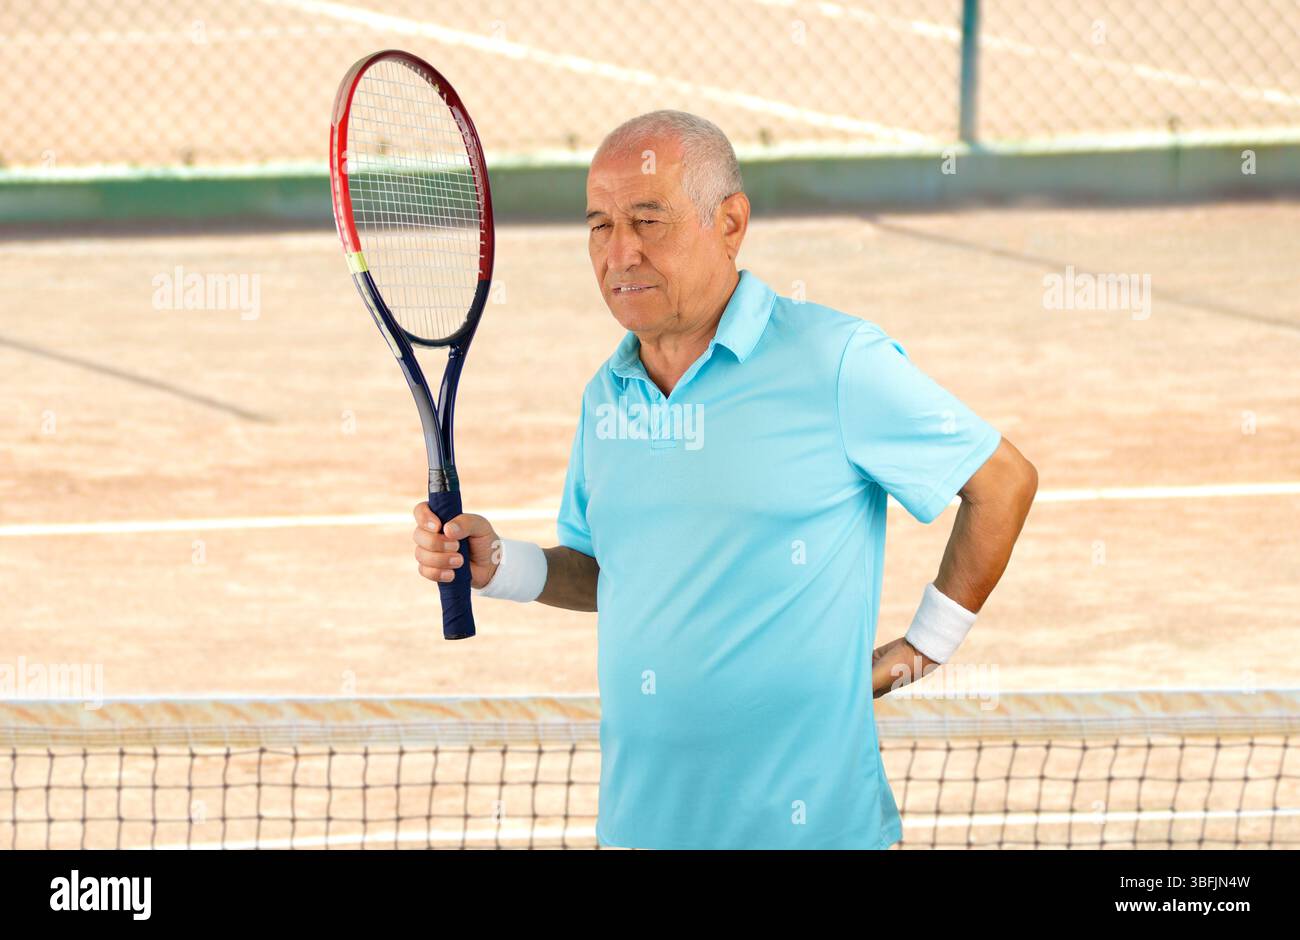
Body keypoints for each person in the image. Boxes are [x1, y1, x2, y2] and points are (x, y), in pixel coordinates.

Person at [412, 110, 1037, 849]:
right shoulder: (606, 395)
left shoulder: (834, 361)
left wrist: (925, 646)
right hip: (643, 829)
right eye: (600, 226)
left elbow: (1003, 481)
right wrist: (503, 565)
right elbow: (609, 573)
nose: (621, 253)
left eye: (649, 220)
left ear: (731, 222)